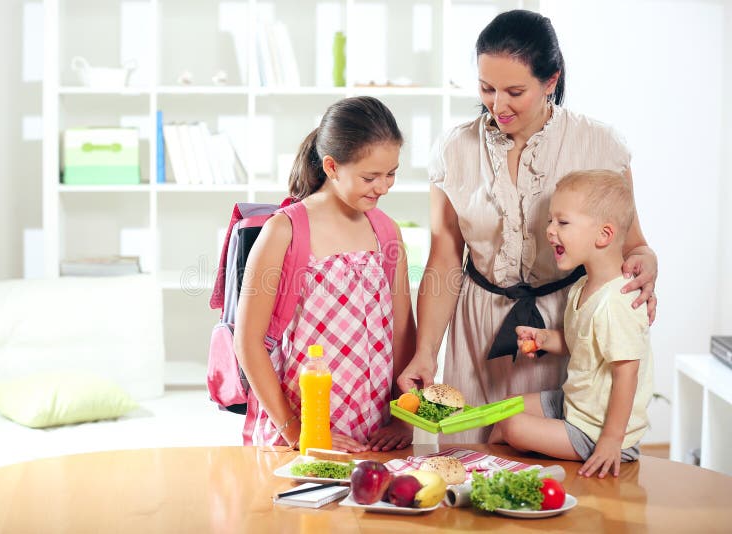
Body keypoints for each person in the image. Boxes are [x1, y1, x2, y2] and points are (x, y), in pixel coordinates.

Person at [397, 9, 658, 444]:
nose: (497, 105)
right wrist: (426, 353)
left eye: (514, 91)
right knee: (467, 465)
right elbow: (444, 260)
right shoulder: (454, 150)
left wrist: (647, 263)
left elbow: (633, 245)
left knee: (558, 477)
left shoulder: (601, 145)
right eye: (486, 88)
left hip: (565, 324)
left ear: (550, 81)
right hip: (477, 327)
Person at [234, 96, 416, 453]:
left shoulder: (387, 232)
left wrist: (403, 418)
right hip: (299, 435)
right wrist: (298, 431)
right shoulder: (284, 231)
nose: (383, 187)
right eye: (370, 176)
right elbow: (248, 342)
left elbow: (401, 333)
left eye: (392, 173)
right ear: (332, 166)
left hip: (372, 437)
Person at [488, 170, 653, 478]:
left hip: (598, 430)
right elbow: (580, 343)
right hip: (577, 404)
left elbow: (627, 373)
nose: (550, 230)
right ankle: (490, 472)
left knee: (512, 424)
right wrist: (545, 339)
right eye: (551, 220)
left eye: (562, 223)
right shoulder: (582, 287)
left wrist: (610, 441)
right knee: (505, 409)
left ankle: (502, 476)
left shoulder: (617, 301)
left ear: (603, 235)